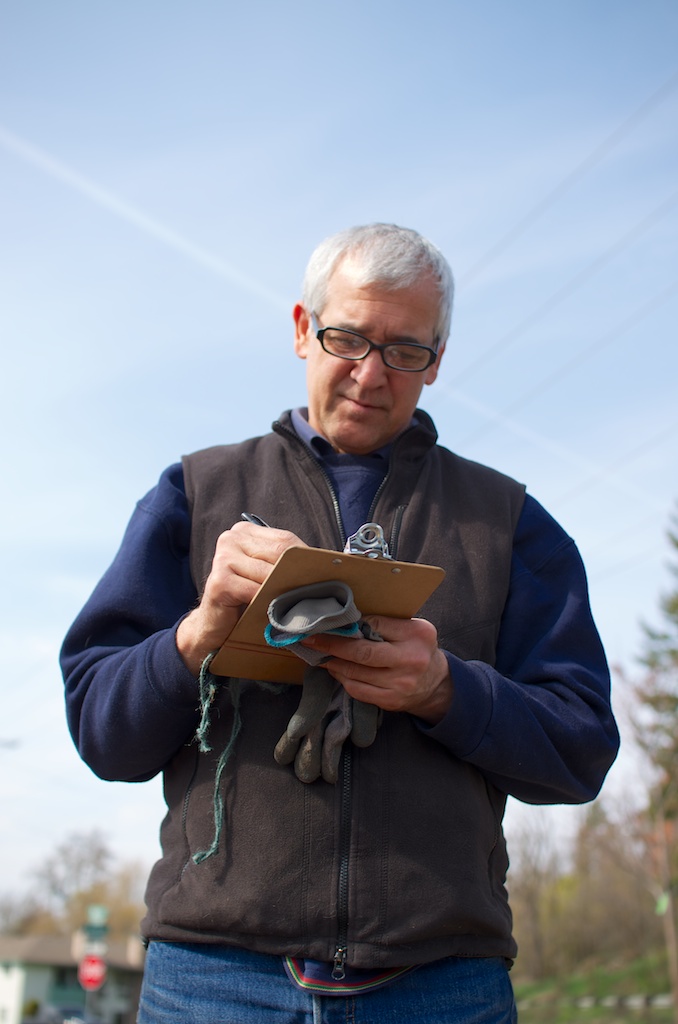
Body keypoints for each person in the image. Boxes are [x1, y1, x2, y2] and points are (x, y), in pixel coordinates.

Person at [60, 223, 619, 1024]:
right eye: (347, 338)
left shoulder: (509, 524)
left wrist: (446, 691)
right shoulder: (193, 494)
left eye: (405, 350)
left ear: (437, 359)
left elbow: (581, 752)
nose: (370, 373)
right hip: (212, 980)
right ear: (301, 329)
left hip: (442, 986)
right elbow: (100, 732)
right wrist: (199, 635)